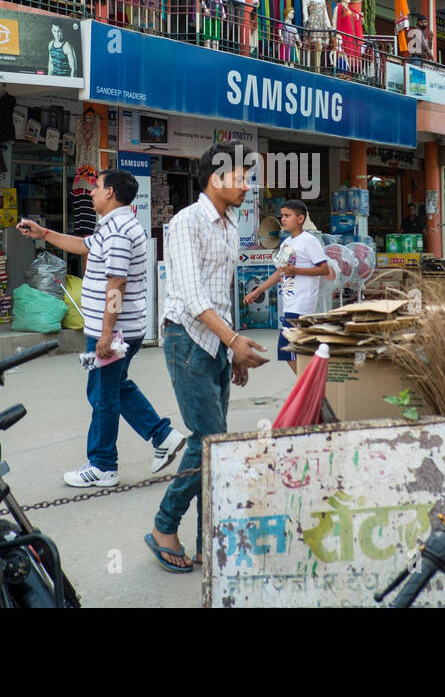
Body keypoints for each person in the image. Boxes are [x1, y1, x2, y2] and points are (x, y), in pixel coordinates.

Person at [17, 170, 185, 488]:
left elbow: (116, 282)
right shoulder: (111, 225)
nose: (90, 192)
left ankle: (103, 464)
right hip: (116, 328)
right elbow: (83, 246)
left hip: (115, 331)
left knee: (102, 395)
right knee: (114, 386)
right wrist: (44, 233)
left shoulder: (120, 230)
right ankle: (163, 436)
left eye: (95, 187)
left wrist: (106, 333)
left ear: (109, 192)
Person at [146, 142, 269, 573]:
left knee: (214, 443)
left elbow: (224, 291)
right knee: (208, 439)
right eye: (241, 177)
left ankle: (205, 541)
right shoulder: (185, 223)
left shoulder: (230, 226)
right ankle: (164, 526)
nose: (247, 186)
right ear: (216, 178)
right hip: (187, 339)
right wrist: (232, 340)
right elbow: (194, 296)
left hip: (217, 342)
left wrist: (232, 348)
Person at [245, 200, 334, 374]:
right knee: (293, 351)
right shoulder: (287, 243)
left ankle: (308, 388)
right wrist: (258, 291)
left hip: (301, 304)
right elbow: (281, 272)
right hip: (291, 304)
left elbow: (324, 269)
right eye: (282, 215)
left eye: (287, 215)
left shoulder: (309, 241)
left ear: (300, 218)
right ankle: (310, 388)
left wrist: (297, 270)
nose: (283, 219)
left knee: (286, 349)